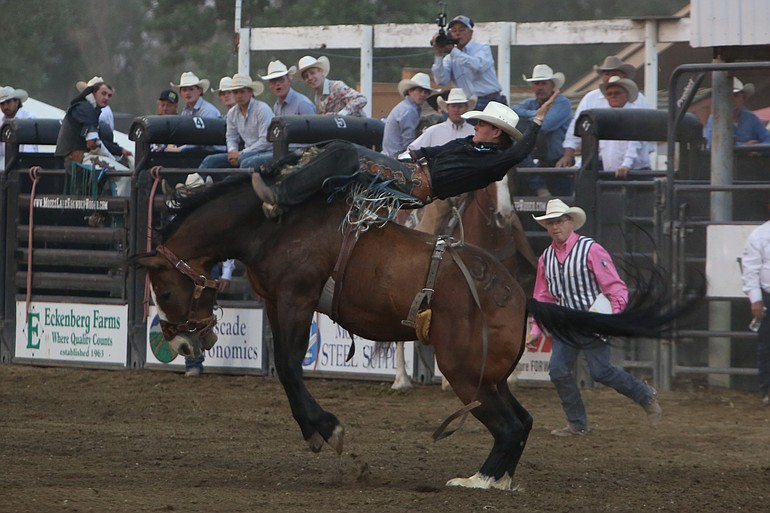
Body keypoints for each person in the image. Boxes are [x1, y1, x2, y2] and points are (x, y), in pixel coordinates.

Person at [251, 95, 558, 219]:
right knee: (336, 147)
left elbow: (519, 151)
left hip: (417, 185)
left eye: (484, 124)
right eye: (479, 122)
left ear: (497, 134)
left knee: (344, 152)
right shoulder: (469, 144)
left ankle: (281, 194)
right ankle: (277, 173)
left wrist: (538, 122)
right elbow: (434, 151)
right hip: (411, 172)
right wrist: (414, 154)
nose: (476, 125)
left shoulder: (495, 162)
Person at [526, 199, 662, 436]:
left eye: (559, 221)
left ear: (570, 223)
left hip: (592, 320)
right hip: (565, 322)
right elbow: (542, 297)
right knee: (558, 370)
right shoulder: (545, 258)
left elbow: (615, 287)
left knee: (601, 371)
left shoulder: (590, 249)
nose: (555, 227)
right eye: (550, 223)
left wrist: (614, 317)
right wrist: (536, 330)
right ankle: (577, 424)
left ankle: (645, 395)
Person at [556, 55, 650, 169]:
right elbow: (577, 126)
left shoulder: (639, 101)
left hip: (636, 165)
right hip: (602, 161)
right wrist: (568, 156)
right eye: (607, 74)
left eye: (614, 74)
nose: (610, 77)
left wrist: (628, 163)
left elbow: (639, 136)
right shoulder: (590, 98)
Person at [513, 64, 573, 196]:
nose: (539, 87)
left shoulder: (562, 103)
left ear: (552, 85)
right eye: (536, 83)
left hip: (559, 163)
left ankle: (539, 187)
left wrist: (530, 116)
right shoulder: (532, 104)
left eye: (543, 83)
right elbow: (513, 110)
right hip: (540, 163)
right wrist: (536, 113)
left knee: (563, 202)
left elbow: (545, 124)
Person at [198, 74, 274, 170]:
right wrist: (232, 151)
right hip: (247, 152)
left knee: (245, 161)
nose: (238, 95)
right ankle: (197, 182)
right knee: (210, 160)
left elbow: (265, 141)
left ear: (250, 92)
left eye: (242, 92)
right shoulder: (232, 113)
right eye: (235, 92)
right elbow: (231, 137)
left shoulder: (262, 109)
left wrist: (240, 153)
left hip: (268, 151)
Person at [431, 15, 506, 110]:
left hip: (490, 100)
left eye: (462, 30)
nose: (457, 33)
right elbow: (441, 81)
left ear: (471, 32)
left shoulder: (482, 48)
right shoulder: (449, 58)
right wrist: (438, 55)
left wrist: (453, 51)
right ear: (450, 35)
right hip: (467, 104)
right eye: (454, 31)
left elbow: (478, 66)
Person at [740, 199, 770, 406]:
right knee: (767, 345)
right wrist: (756, 300)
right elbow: (750, 270)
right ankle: (768, 389)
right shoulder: (759, 235)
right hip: (768, 294)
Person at [597, 76, 651, 178]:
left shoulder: (636, 114)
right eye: (609, 94)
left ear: (626, 95)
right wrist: (578, 166)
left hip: (635, 173)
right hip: (611, 174)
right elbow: (598, 148)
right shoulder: (605, 116)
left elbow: (634, 143)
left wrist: (626, 164)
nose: (613, 96)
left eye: (617, 93)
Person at [381, 72, 437, 157]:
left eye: (426, 92)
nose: (423, 94)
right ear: (410, 91)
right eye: (419, 90)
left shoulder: (406, 107)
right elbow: (409, 144)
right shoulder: (409, 110)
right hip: (397, 157)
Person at [705, 77, 770, 147]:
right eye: (728, 96)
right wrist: (745, 147)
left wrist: (758, 148)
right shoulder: (715, 119)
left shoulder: (751, 117)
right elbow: (714, 144)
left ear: (743, 99)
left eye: (736, 96)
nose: (732, 100)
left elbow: (767, 139)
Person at [171, 71, 225, 154]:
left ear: (200, 91)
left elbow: (205, 138)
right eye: (184, 90)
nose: (187, 93)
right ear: (181, 93)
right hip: (199, 151)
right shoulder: (185, 112)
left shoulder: (208, 111)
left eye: (191, 89)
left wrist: (181, 148)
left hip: (215, 151)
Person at [296, 55, 367, 117]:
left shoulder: (336, 87)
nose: (310, 78)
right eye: (306, 76)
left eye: (312, 73)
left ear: (321, 72)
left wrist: (341, 114)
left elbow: (361, 99)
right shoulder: (317, 98)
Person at [408, 87, 476, 150]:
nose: (456, 110)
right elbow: (411, 149)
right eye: (453, 106)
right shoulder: (433, 131)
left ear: (466, 109)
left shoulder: (475, 133)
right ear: (447, 108)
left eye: (460, 106)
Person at [0, 85, 38, 167]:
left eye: (8, 102)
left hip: (25, 167)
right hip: (7, 169)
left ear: (17, 102)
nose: (5, 106)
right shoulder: (1, 122)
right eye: (2, 104)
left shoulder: (28, 118)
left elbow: (29, 149)